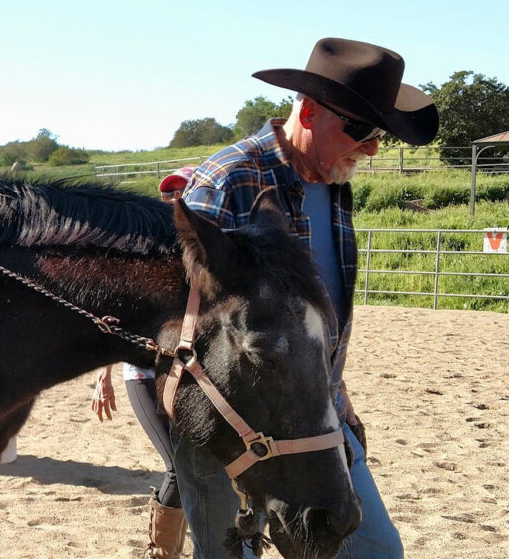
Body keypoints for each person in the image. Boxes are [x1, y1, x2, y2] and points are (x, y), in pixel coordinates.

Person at [175, 38, 439, 559]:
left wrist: (334, 389)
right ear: (310, 110)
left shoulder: (332, 180)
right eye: (360, 130)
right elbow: (181, 321)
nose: (371, 149)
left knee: (375, 551)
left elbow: (316, 318)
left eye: (378, 135)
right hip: (228, 416)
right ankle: (174, 491)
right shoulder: (228, 180)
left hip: (312, 406)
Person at [91, 166, 195, 559]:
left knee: (196, 466)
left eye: (183, 192)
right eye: (169, 194)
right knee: (178, 465)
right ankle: (162, 552)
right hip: (142, 370)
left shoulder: (207, 253)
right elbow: (114, 317)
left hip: (186, 374)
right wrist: (104, 378)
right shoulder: (145, 252)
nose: (174, 200)